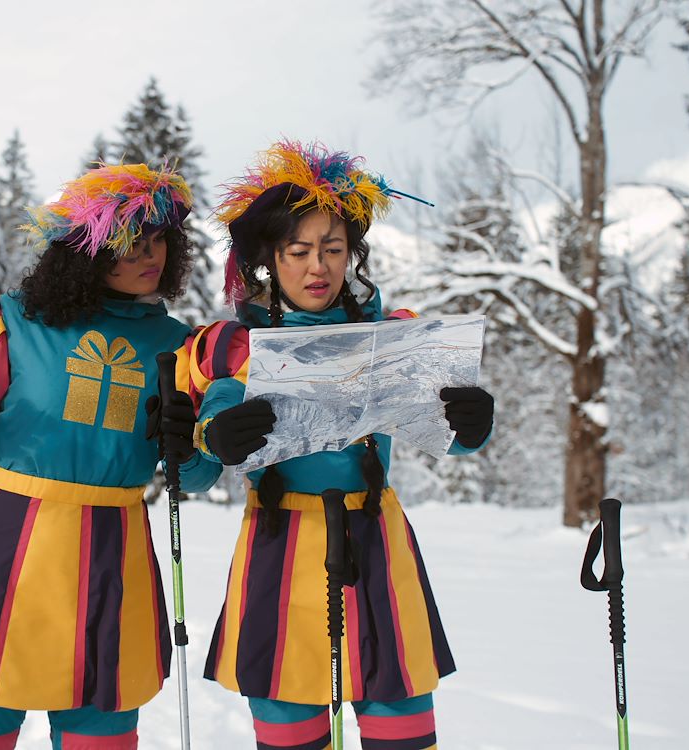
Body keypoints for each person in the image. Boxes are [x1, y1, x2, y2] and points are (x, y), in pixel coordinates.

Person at [0, 163, 216, 750]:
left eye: (159, 240)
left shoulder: (180, 347)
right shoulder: (9, 322)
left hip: (116, 554)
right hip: (4, 549)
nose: (150, 254)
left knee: (99, 734)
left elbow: (198, 475)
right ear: (84, 249)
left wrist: (188, 447)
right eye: (131, 242)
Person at [184, 141, 494, 749]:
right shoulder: (239, 347)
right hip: (280, 544)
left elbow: (444, 432)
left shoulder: (396, 338)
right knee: (290, 727)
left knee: (401, 725)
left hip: (377, 541)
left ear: (353, 253)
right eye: (299, 251)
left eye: (332, 248)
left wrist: (470, 425)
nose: (317, 266)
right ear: (273, 259)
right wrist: (214, 434)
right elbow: (214, 422)